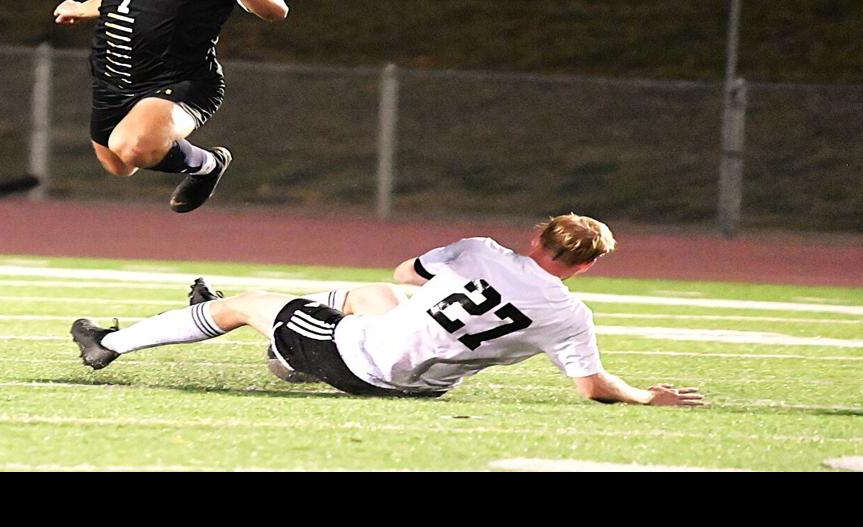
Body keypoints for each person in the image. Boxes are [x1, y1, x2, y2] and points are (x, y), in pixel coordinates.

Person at [70, 213, 704, 407]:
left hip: (358, 363)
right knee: (377, 298)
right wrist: (648, 397)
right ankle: (282, 343)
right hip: (421, 387)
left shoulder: (481, 251)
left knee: (245, 303)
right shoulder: (570, 315)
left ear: (538, 237)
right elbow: (593, 387)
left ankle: (108, 344)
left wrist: (449, 276)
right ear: (586, 267)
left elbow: (408, 271)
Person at [52, 0, 288, 213]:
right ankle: (204, 163)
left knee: (133, 147)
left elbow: (276, 11)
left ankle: (208, 166)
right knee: (118, 165)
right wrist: (82, 8)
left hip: (178, 79)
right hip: (113, 79)